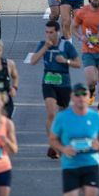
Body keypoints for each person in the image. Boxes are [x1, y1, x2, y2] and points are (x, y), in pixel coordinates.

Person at [49, 82, 99, 196]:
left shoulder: (96, 118)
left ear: (89, 96)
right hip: (70, 165)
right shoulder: (62, 117)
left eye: (84, 94)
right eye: (77, 94)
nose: (80, 97)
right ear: (72, 97)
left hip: (91, 163)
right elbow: (52, 139)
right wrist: (64, 149)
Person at [30, 20, 82, 159]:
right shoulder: (43, 44)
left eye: (51, 32)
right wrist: (44, 48)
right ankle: (53, 144)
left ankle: (60, 139)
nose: (49, 35)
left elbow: (78, 63)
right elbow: (33, 61)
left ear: (57, 32)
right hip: (48, 81)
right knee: (51, 113)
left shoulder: (66, 46)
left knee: (63, 115)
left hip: (64, 82)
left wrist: (66, 61)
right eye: (46, 32)